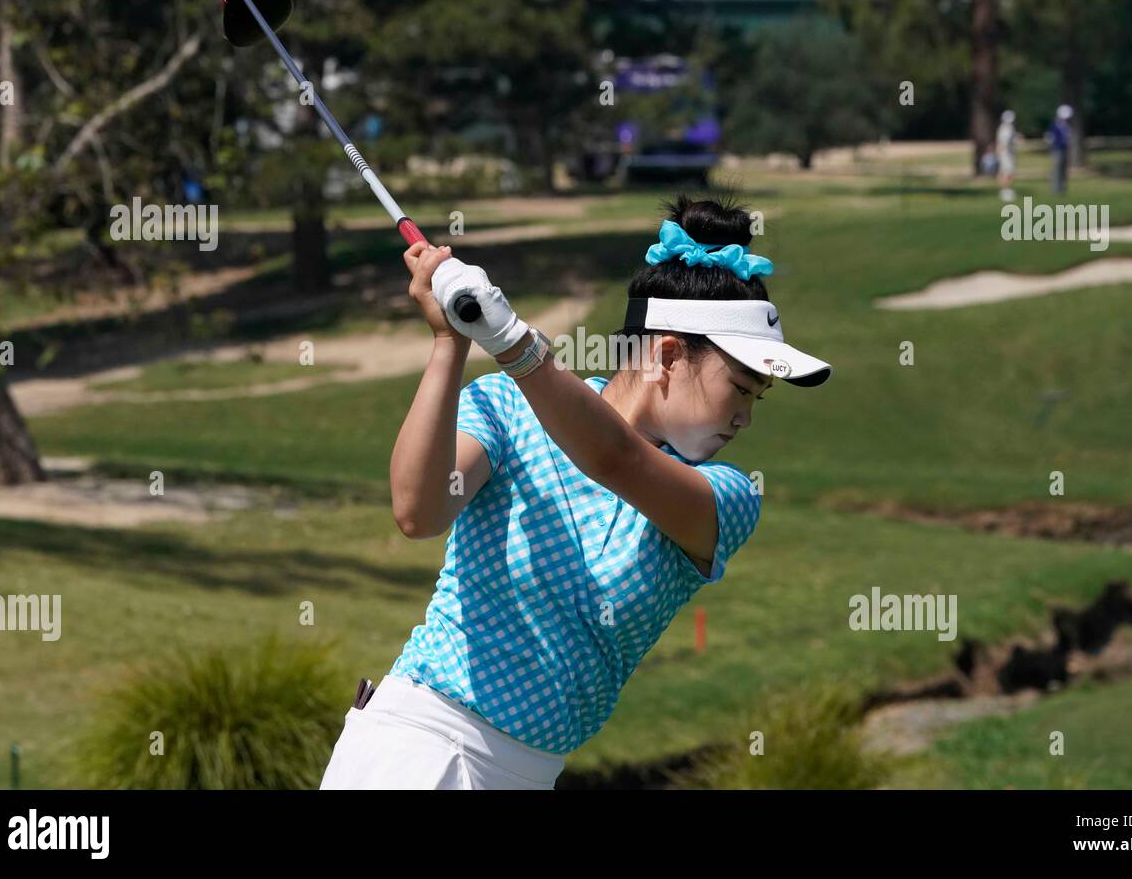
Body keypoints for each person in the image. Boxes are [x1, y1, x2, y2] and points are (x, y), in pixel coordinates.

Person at [319, 195, 832, 789]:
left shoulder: (727, 497)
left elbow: (616, 459)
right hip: (417, 746)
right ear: (668, 355)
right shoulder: (507, 405)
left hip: (527, 774)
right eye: (741, 388)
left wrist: (512, 341)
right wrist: (450, 341)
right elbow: (418, 512)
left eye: (758, 397)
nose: (745, 418)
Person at [1044, 104, 1074, 194]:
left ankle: (1062, 188)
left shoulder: (1066, 125)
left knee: (1063, 169)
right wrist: (1052, 145)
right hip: (1057, 149)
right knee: (1056, 169)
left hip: (1064, 149)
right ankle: (1055, 189)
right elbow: (1049, 137)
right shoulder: (1055, 125)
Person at [995, 110, 1018, 202]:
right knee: (1007, 173)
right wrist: (1001, 154)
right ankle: (1005, 191)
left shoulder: (1004, 127)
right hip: (1006, 154)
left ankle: (1004, 191)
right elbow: (1003, 143)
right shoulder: (1007, 128)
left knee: (1005, 173)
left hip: (1005, 154)